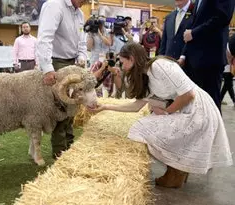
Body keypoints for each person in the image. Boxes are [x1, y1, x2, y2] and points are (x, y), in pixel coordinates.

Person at [90, 43, 233, 188]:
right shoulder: (144, 76)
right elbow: (135, 106)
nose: (122, 66)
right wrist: (105, 107)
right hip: (185, 109)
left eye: (123, 62)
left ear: (132, 59)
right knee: (142, 125)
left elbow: (189, 95)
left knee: (142, 127)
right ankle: (177, 168)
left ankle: (176, 171)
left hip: (198, 110)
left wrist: (167, 112)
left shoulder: (159, 66)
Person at [36, 0, 88, 158]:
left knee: (72, 106)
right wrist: (47, 68)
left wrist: (82, 55)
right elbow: (45, 38)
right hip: (57, 62)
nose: (86, 2)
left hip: (73, 63)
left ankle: (69, 144)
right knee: (60, 109)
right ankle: (60, 150)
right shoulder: (54, 5)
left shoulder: (79, 13)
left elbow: (82, 40)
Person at [181, 0, 235, 111]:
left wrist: (194, 33)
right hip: (194, 60)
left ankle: (214, 129)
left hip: (209, 58)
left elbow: (223, 17)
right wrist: (184, 55)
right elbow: (195, 24)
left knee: (211, 106)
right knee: (198, 107)